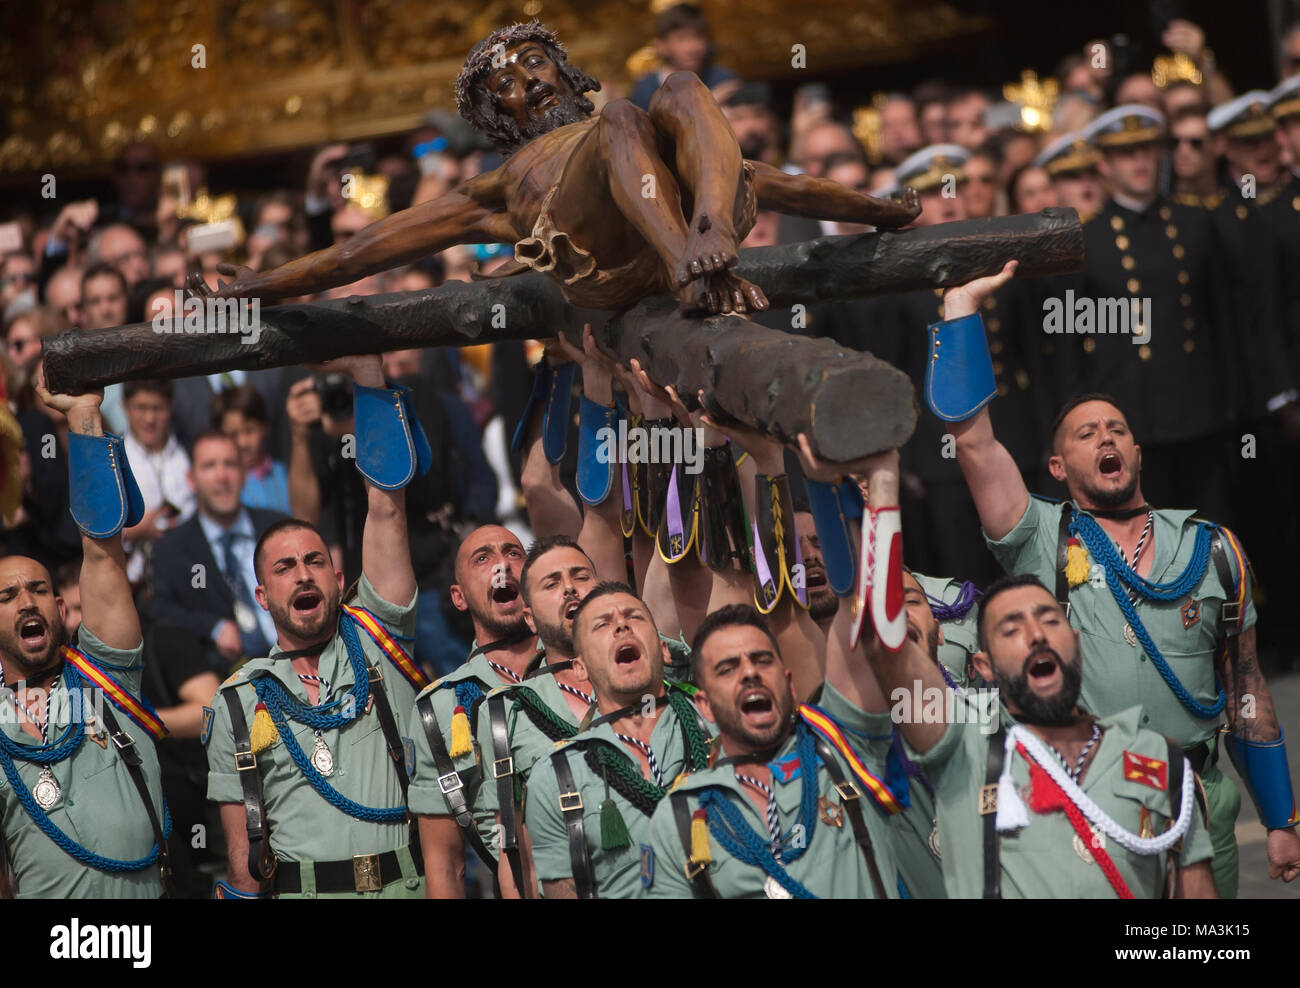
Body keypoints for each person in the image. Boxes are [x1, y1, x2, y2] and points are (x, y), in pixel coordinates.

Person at [939, 260, 1300, 896]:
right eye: (1086, 433)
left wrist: (1280, 818)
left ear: (1136, 452)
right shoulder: (1040, 537)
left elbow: (1245, 689)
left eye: (1118, 430)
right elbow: (974, 445)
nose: (1106, 436)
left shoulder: (1213, 549)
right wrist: (961, 311)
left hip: (1198, 797)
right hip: (1089, 798)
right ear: (1056, 465)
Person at [191, 21, 919, 319]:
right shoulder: (495, 187)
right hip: (610, 261)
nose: (526, 81)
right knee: (628, 116)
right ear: (497, 118)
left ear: (565, 71)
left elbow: (770, 177)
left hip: (697, 226)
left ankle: (697, 242)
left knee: (678, 89)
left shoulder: (645, 130)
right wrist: (257, 286)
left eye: (535, 63)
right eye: (503, 84)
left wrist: (881, 211)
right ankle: (689, 266)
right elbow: (360, 251)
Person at [204, 353, 432, 898]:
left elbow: (387, 510)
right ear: (262, 596)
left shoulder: (378, 639)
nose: (303, 574)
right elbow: (243, 867)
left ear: (338, 578)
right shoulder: (238, 700)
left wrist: (368, 379)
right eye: (284, 568)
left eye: (314, 562)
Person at [1, 376, 172, 897]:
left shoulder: (107, 675)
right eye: (6, 597)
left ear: (60, 607)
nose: (26, 601)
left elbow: (102, 550)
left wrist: (81, 416)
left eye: (38, 590)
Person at [642, 593, 901, 897]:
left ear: (790, 685)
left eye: (762, 661)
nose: (750, 672)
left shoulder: (846, 746)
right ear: (705, 704)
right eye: (727, 669)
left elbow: (858, 608)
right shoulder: (679, 816)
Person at [522, 582, 714, 898]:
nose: (621, 625)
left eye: (634, 617)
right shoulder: (554, 777)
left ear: (664, 649)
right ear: (580, 668)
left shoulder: (718, 726)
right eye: (602, 624)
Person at [149, 432, 285, 672]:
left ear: (243, 474)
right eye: (210, 466)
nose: (222, 476)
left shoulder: (278, 529)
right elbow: (159, 609)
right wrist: (212, 627)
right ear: (191, 479)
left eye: (230, 464)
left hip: (295, 661)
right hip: (228, 678)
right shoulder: (172, 547)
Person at [629, 3, 738, 112]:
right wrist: (709, 105)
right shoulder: (647, 88)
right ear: (661, 45)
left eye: (698, 37)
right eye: (682, 39)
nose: (692, 48)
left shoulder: (721, 79)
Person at [212, 385, 290, 515]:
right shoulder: (220, 484)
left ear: (265, 427)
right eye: (233, 434)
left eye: (249, 431)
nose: (243, 442)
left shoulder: (287, 474)